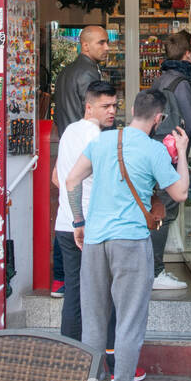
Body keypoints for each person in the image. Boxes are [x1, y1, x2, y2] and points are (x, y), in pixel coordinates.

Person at [66, 89, 189, 381]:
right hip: (131, 242)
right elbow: (180, 191)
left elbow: (72, 179)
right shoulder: (154, 150)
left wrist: (79, 220)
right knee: (129, 322)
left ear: (133, 110)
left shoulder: (103, 141)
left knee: (92, 322)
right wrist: (184, 155)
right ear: (158, 119)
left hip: (94, 240)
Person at [49, 24, 110, 297]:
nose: (107, 47)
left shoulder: (66, 71)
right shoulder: (87, 73)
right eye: (101, 43)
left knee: (65, 208)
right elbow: (93, 114)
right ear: (85, 46)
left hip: (67, 142)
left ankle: (59, 278)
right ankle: (68, 279)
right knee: (79, 213)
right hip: (82, 148)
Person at [149, 29, 191, 290]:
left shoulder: (160, 79)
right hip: (172, 152)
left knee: (158, 207)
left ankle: (153, 267)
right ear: (188, 54)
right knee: (165, 209)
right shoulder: (183, 83)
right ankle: (156, 271)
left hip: (157, 148)